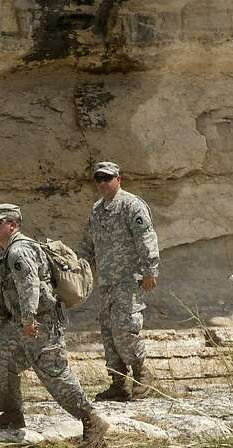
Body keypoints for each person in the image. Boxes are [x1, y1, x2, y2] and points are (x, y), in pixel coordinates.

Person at [0, 204, 109, 448]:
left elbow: (30, 287)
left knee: (54, 372)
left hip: (41, 322)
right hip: (19, 323)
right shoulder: (8, 251)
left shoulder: (19, 252)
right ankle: (11, 416)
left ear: (12, 225)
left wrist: (29, 320)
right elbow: (7, 292)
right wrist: (2, 324)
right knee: (2, 359)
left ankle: (92, 419)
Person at [77, 161, 161, 401]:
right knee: (108, 332)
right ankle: (118, 383)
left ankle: (142, 375)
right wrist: (77, 266)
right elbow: (88, 242)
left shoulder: (132, 205)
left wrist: (150, 271)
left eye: (107, 178)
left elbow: (146, 238)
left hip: (128, 280)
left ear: (118, 179)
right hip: (107, 282)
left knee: (125, 329)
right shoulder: (97, 209)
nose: (102, 183)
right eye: (98, 179)